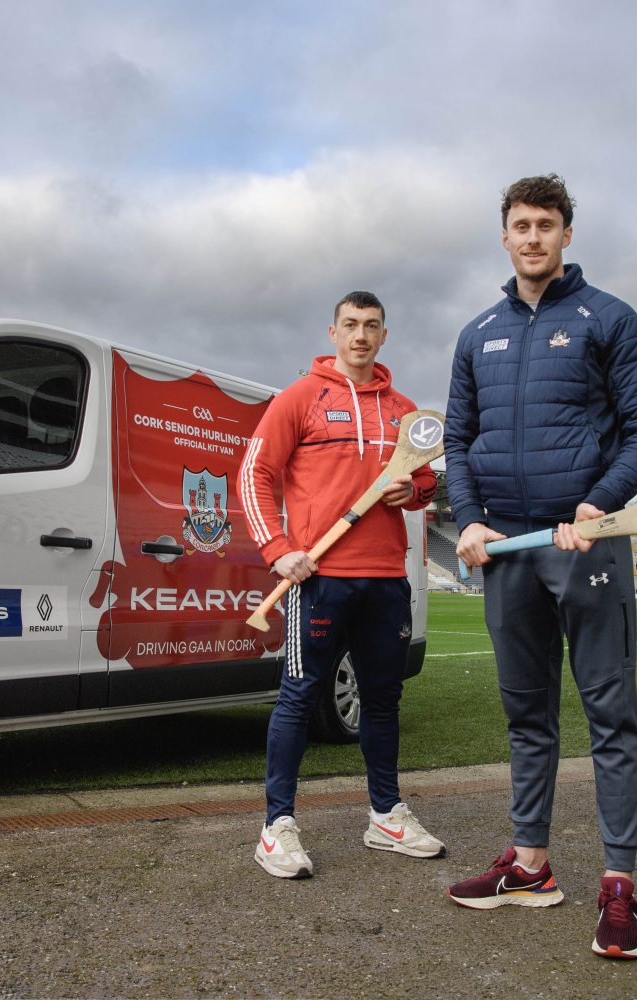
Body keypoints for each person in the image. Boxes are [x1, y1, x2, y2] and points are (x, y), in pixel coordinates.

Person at [444, 175, 637, 959]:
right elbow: (457, 441)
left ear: (567, 235)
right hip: (506, 550)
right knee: (526, 714)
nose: (533, 237)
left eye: (546, 224)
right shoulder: (477, 333)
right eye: (520, 225)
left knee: (610, 713)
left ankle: (617, 887)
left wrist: (596, 505)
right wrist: (468, 519)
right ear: (503, 236)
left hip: (586, 542)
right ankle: (531, 865)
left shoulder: (609, 318)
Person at [240, 290, 443, 879]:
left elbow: (425, 480)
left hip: (385, 579)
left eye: (371, 326)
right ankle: (276, 828)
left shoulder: (403, 409)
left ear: (384, 335)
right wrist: (279, 551)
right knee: (299, 698)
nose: (360, 335)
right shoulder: (299, 398)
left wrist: (416, 492)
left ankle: (386, 816)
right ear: (333, 333)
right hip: (320, 576)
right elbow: (254, 472)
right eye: (350, 325)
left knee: (383, 700)